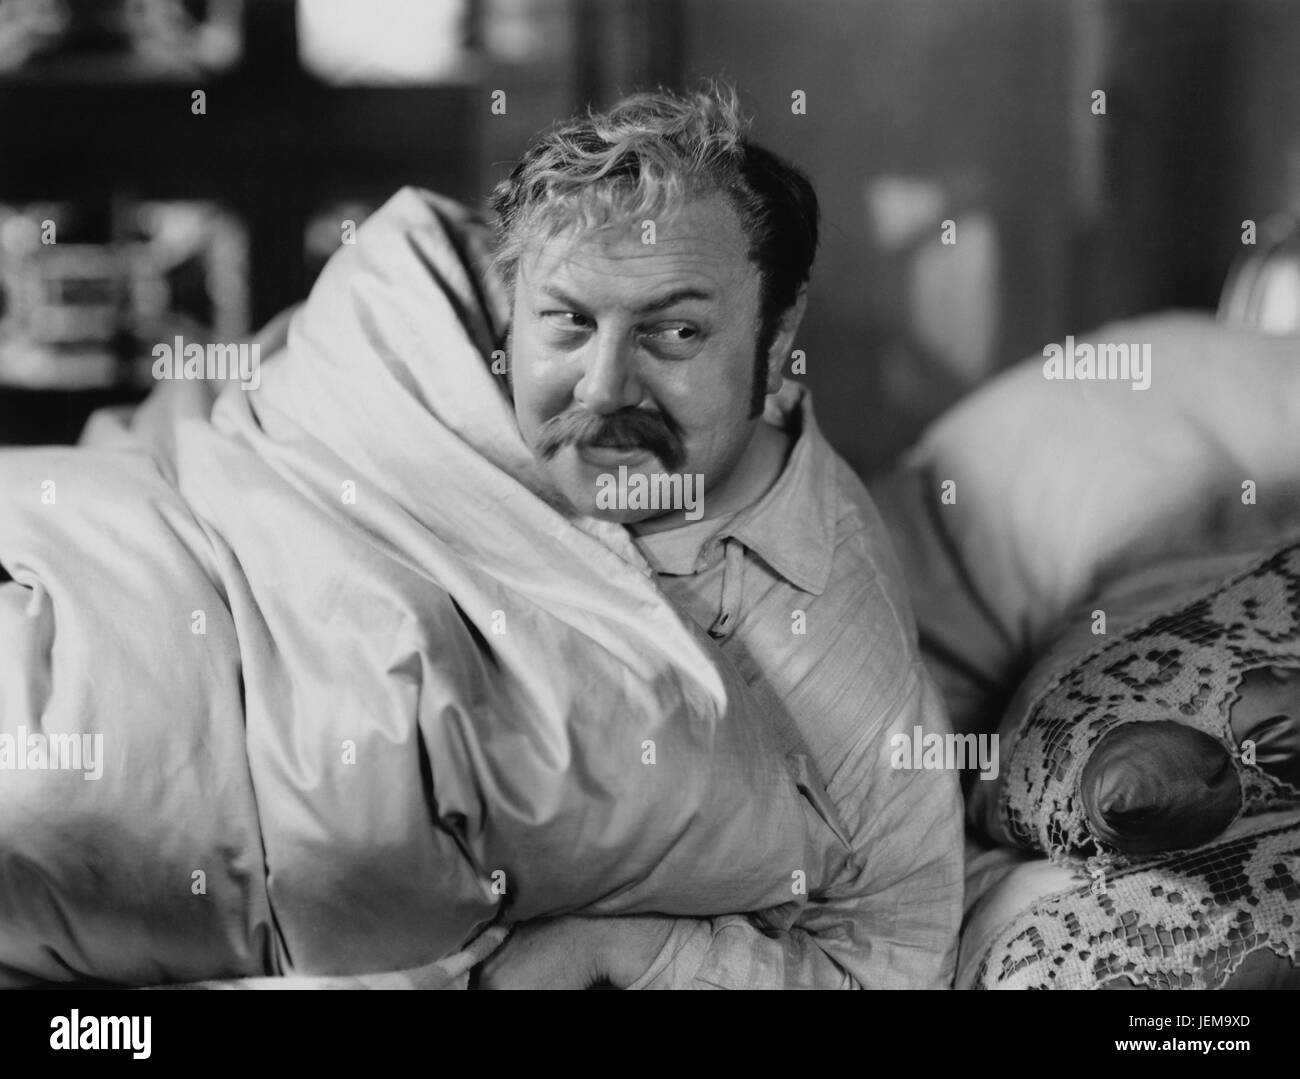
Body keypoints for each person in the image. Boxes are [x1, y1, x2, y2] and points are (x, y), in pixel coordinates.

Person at [473, 83, 964, 989]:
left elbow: (892, 968)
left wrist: (624, 949)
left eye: (675, 330)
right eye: (571, 323)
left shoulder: (833, 660)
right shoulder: (450, 364)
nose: (601, 387)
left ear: (778, 345)